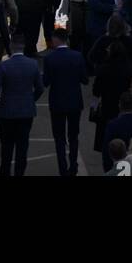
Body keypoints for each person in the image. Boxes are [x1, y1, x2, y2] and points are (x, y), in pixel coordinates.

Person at [0, 45, 44, 177]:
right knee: (22, 148)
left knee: (6, 150)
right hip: (26, 111)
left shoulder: (4, 66)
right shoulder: (32, 64)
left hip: (6, 112)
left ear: (11, 49)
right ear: (24, 48)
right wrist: (31, 99)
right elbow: (40, 88)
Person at [42, 28, 89, 177]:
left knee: (59, 137)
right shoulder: (77, 56)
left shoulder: (50, 58)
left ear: (56, 39)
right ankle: (73, 165)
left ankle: (62, 167)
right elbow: (85, 79)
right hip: (74, 102)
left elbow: (45, 82)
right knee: (73, 136)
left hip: (57, 102)